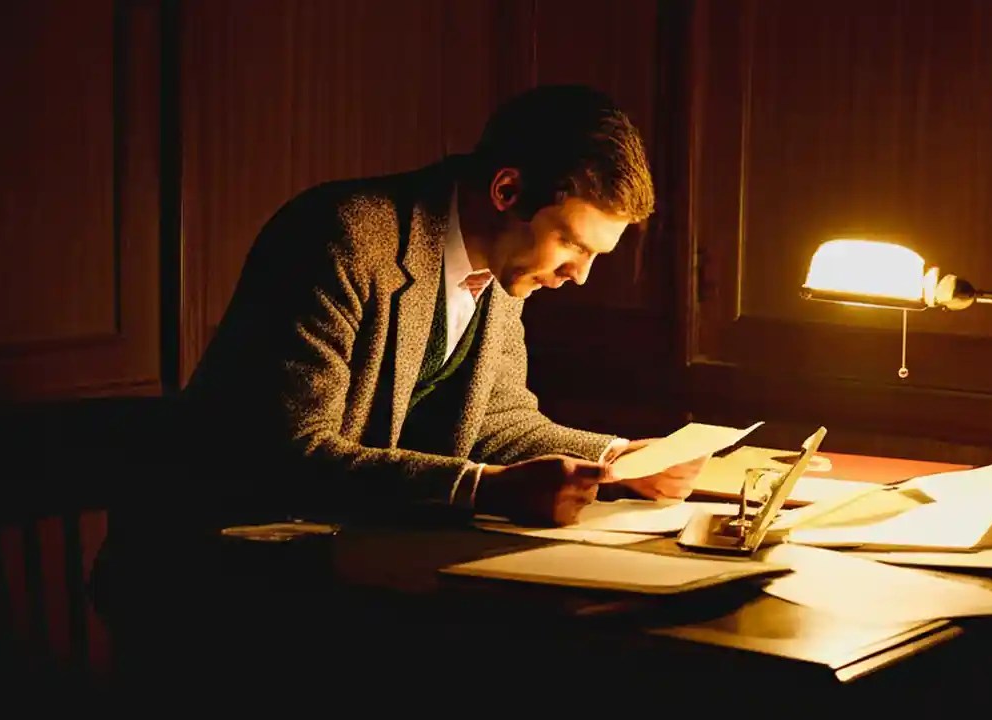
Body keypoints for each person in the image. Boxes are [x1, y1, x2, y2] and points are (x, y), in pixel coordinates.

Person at [175, 84, 707, 531]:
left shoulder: (504, 266)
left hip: (361, 554)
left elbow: (499, 423)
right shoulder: (341, 239)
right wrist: (481, 488)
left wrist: (615, 461)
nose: (579, 274)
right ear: (507, 189)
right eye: (572, 243)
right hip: (226, 559)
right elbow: (288, 456)